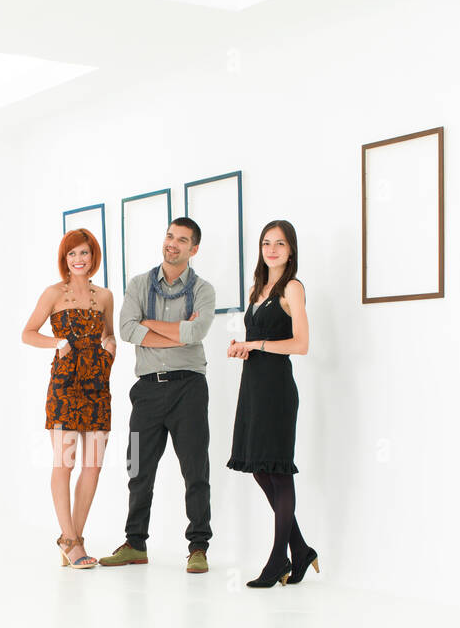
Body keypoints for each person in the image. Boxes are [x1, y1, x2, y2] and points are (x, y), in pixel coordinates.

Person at [99, 218, 216, 573]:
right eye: (169, 236)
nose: (172, 244)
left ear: (193, 249)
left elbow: (196, 331)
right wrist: (179, 334)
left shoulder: (203, 290)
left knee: (195, 469)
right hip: (146, 390)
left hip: (189, 388)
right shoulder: (138, 284)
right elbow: (126, 329)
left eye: (182, 240)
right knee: (137, 466)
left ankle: (198, 547)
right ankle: (135, 543)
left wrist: (150, 324)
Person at [226, 219, 318, 588]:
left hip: (277, 390)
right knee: (260, 468)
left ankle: (279, 558)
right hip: (253, 388)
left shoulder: (292, 288)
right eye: (266, 243)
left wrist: (257, 345)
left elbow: (301, 344)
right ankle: (300, 548)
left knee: (277, 470)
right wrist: (241, 348)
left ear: (291, 250)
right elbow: (257, 338)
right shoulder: (257, 289)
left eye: (280, 243)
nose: (272, 249)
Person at [21, 228, 116, 568]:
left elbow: (110, 335)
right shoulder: (53, 293)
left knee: (93, 465)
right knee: (65, 462)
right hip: (64, 385)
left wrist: (109, 352)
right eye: (72, 253)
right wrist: (56, 344)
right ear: (64, 258)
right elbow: (27, 333)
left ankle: (75, 537)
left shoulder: (104, 296)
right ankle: (69, 539)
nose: (79, 259)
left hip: (97, 386)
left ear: (94, 257)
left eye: (84, 253)